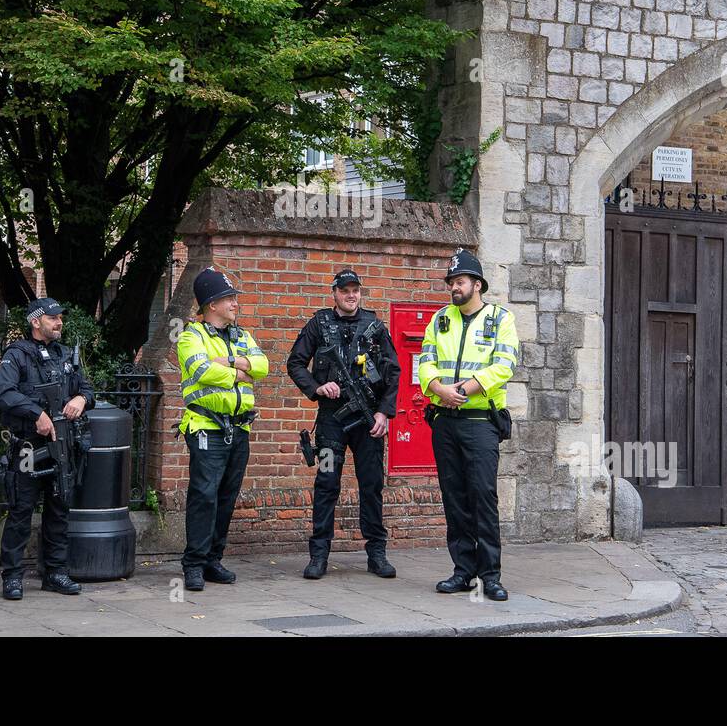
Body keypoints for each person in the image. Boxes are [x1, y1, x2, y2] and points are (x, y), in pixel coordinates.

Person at [417, 249, 519, 601]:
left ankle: (490, 576)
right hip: (445, 420)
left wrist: (464, 389)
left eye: (459, 282)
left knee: (482, 497)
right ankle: (462, 571)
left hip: (480, 422)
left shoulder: (500, 319)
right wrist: (440, 390)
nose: (453, 288)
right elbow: (425, 363)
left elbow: (504, 365)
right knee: (454, 498)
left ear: (477, 285)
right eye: (450, 282)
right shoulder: (440, 319)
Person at [287, 268, 400, 580]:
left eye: (356, 290)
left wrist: (383, 414)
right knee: (326, 485)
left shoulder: (375, 327)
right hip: (331, 422)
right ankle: (319, 554)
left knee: (371, 485)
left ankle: (377, 553)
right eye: (345, 290)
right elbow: (295, 362)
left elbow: (393, 373)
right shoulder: (318, 324)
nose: (352, 295)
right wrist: (316, 388)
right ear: (334, 293)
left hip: (368, 422)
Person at [176, 266, 269, 591]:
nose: (234, 303)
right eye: (229, 298)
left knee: (227, 495)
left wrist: (229, 362)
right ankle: (194, 563)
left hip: (239, 428)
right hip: (205, 425)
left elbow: (263, 366)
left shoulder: (242, 335)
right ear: (211, 304)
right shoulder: (191, 335)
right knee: (204, 494)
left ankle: (214, 559)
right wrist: (239, 369)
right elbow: (201, 370)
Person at [0, 298, 93, 600]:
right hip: (28, 447)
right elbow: (4, 393)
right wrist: (36, 414)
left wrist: (81, 400)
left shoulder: (65, 355)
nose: (59, 322)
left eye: (60, 317)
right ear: (36, 321)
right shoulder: (17, 355)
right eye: (52, 318)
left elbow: (86, 389)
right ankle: (12, 577)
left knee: (59, 510)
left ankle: (55, 573)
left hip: (62, 444)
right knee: (21, 511)